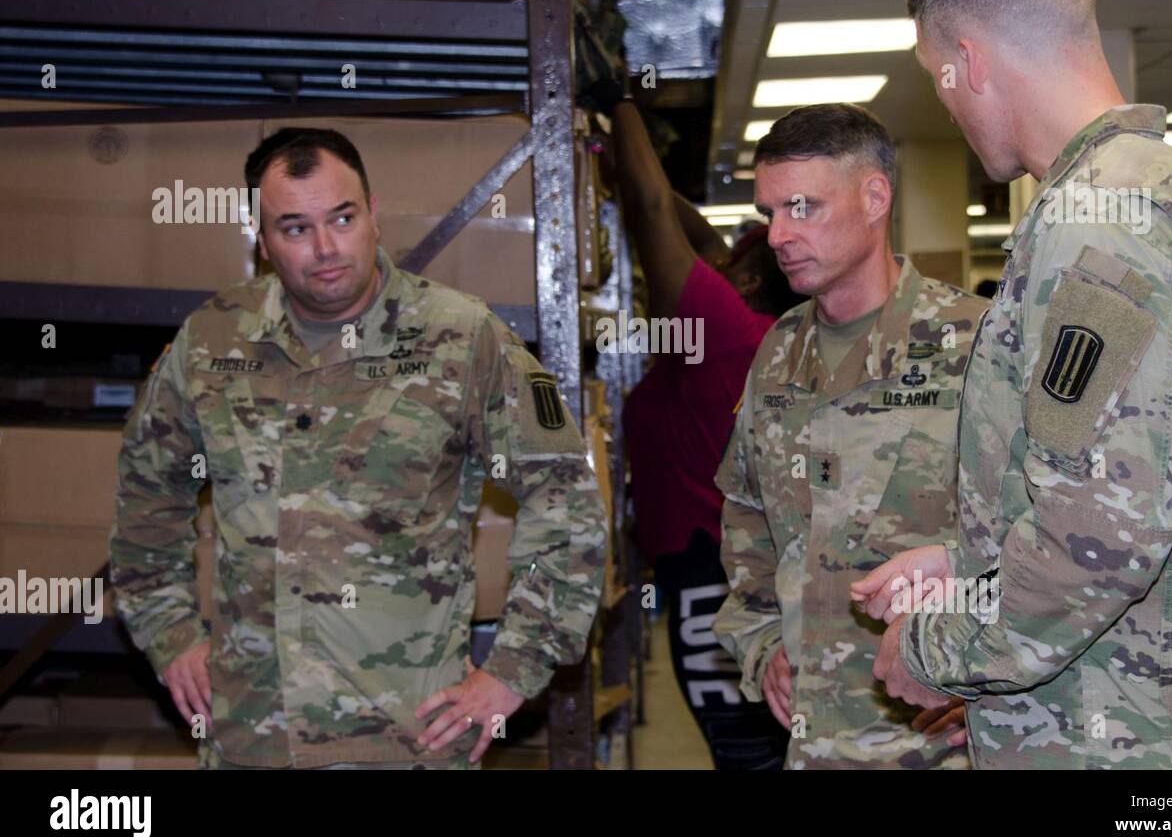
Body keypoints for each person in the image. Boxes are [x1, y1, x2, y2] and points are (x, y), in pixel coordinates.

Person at [856, 0, 1172, 769]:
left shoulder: (1094, 228)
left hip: (1131, 745)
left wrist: (929, 652)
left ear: (971, 61)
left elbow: (1096, 537)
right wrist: (967, 555)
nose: (944, 101)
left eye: (937, 75)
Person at [109, 127, 607, 769]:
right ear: (261, 242)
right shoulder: (213, 342)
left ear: (373, 215)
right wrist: (170, 633)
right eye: (294, 229)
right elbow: (147, 491)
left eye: (341, 218)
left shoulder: (459, 339)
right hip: (254, 740)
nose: (325, 249)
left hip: (406, 741)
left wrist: (512, 669)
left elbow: (565, 499)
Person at [713, 102, 988, 769]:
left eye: (801, 208)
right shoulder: (778, 354)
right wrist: (762, 641)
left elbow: (1046, 535)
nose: (777, 235)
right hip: (814, 741)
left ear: (874, 197)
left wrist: (998, 681)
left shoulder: (979, 344)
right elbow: (748, 518)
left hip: (943, 742)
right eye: (768, 213)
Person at [612, 99, 801, 769]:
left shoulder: (721, 335)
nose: (709, 264)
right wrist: (619, 164)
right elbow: (679, 219)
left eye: (729, 262)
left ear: (746, 280)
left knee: (745, 756)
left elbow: (658, 218)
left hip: (710, 575)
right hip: (722, 565)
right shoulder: (748, 336)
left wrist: (619, 105)